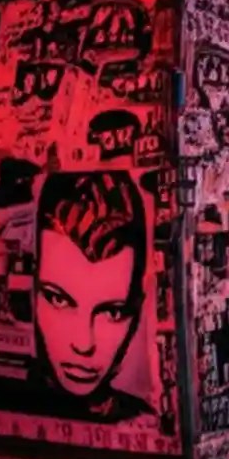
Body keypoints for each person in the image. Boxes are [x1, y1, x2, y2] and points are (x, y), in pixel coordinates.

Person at [29, 172, 153, 421]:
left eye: (113, 313)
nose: (83, 345)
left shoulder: (143, 423)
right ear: (32, 290)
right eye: (58, 300)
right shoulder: (1, 403)